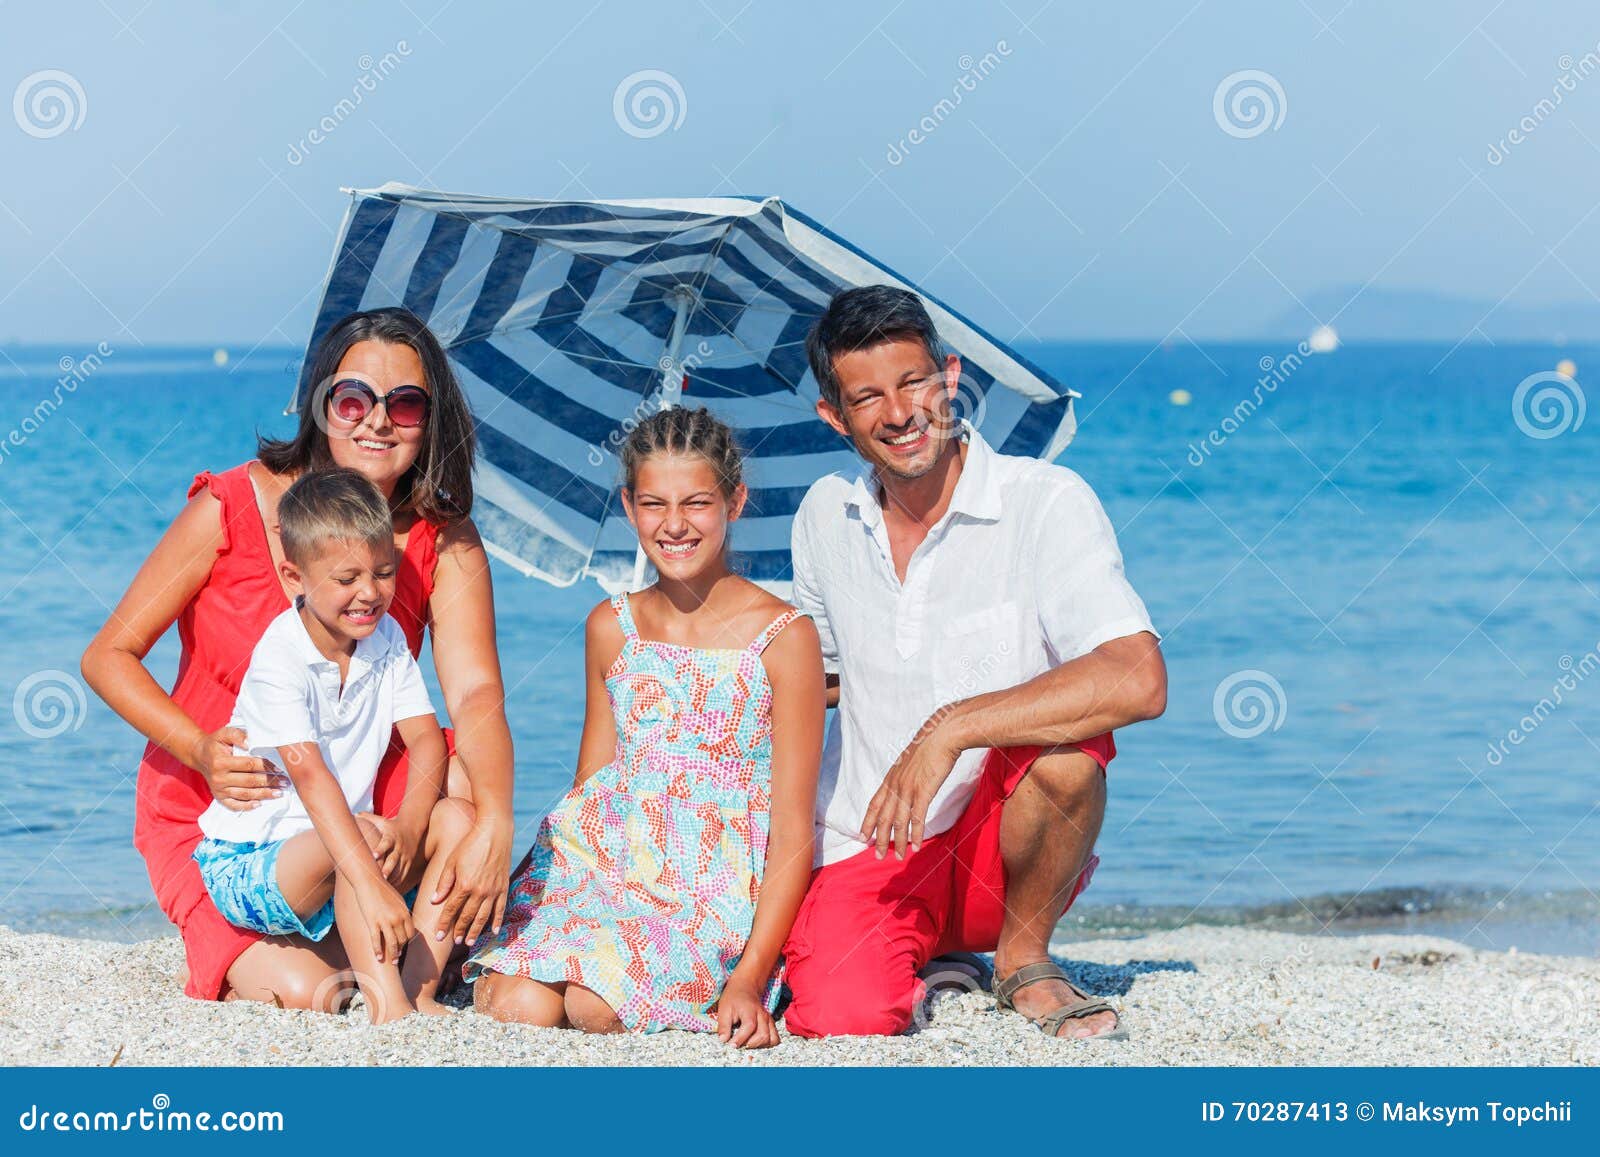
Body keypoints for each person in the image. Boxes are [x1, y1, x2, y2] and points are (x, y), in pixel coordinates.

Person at [82, 308, 516, 1010]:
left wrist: (496, 820)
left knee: (462, 779)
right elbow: (109, 655)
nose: (377, 420)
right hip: (226, 812)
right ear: (321, 404)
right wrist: (197, 747)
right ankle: (365, 952)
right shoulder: (231, 507)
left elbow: (474, 697)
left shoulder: (445, 540)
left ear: (430, 419)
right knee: (313, 992)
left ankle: (412, 985)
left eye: (404, 403)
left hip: (362, 806)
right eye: (353, 399)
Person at [782, 285, 1167, 1040]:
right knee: (842, 1017)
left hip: (1003, 850)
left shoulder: (1045, 500)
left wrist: (950, 728)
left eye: (915, 382)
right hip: (871, 842)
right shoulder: (823, 513)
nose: (899, 413)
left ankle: (1024, 958)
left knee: (1066, 755)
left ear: (951, 377)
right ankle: (939, 955)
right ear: (835, 416)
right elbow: (821, 679)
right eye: (867, 397)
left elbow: (1138, 676)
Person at [468, 407, 824, 1047]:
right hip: (602, 867)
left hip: (709, 891)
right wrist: (530, 878)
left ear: (735, 501)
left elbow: (793, 828)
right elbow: (592, 782)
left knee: (595, 1007)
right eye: (654, 504)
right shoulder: (612, 624)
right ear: (629, 507)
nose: (675, 524)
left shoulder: (786, 637)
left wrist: (750, 976)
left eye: (697, 503)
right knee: (517, 1004)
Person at [193, 469, 473, 1022]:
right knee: (360, 834)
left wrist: (413, 828)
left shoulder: (386, 637)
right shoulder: (281, 657)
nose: (369, 593)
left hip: (345, 842)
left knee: (458, 818)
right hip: (255, 861)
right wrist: (370, 882)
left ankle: (417, 987)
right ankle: (387, 1006)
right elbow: (312, 778)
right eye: (347, 578)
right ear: (294, 576)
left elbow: (424, 739)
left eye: (383, 573)